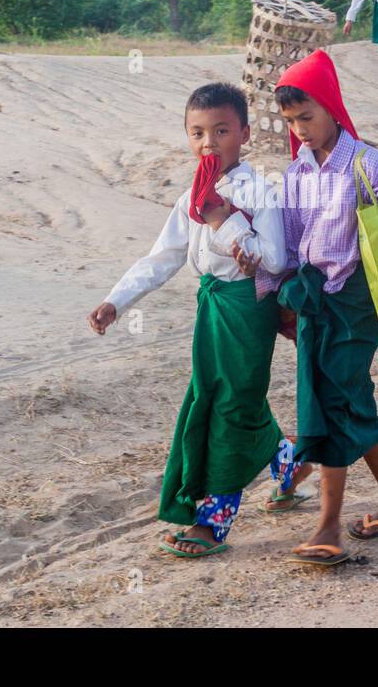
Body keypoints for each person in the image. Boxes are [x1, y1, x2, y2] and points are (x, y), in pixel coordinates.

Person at [86, 83, 310, 556]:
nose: (209, 142)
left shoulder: (258, 191)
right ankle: (289, 460)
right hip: (210, 306)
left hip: (247, 308)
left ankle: (214, 523)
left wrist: (223, 222)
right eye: (197, 133)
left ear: (244, 134)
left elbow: (273, 257)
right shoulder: (194, 193)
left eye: (221, 130)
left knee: (232, 406)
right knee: (215, 397)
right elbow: (162, 257)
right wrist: (116, 301)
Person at [261, 49, 378, 565]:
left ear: (332, 107)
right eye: (291, 121)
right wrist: (278, 301)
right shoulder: (295, 174)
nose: (301, 129)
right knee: (348, 399)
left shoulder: (367, 164)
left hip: (357, 303)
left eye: (307, 116)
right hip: (314, 304)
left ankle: (329, 526)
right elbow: (289, 249)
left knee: (331, 406)